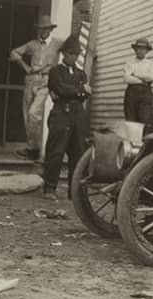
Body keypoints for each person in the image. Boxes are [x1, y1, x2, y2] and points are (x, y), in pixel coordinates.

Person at [41, 38, 90, 200]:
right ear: (64, 54)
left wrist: (76, 91)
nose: (73, 57)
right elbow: (59, 89)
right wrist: (80, 90)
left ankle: (74, 192)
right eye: (70, 54)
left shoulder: (81, 73)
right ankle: (49, 188)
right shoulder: (55, 71)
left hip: (78, 116)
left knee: (78, 153)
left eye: (76, 54)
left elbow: (84, 95)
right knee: (56, 151)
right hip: (61, 114)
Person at [9, 15, 62, 160]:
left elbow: (73, 48)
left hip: (46, 81)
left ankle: (38, 148)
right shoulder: (33, 44)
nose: (42, 32)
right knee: (27, 114)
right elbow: (14, 53)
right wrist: (25, 66)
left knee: (34, 113)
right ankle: (33, 148)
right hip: (30, 80)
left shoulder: (58, 43)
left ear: (50, 30)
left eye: (45, 29)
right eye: (40, 29)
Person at [123, 38, 153, 135]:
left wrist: (135, 75)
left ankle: (143, 145)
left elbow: (151, 77)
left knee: (145, 119)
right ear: (135, 50)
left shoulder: (151, 64)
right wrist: (142, 80)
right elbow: (126, 78)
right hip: (131, 94)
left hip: (145, 93)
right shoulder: (129, 63)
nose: (140, 51)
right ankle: (133, 145)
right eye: (138, 48)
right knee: (131, 120)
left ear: (147, 51)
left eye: (143, 49)